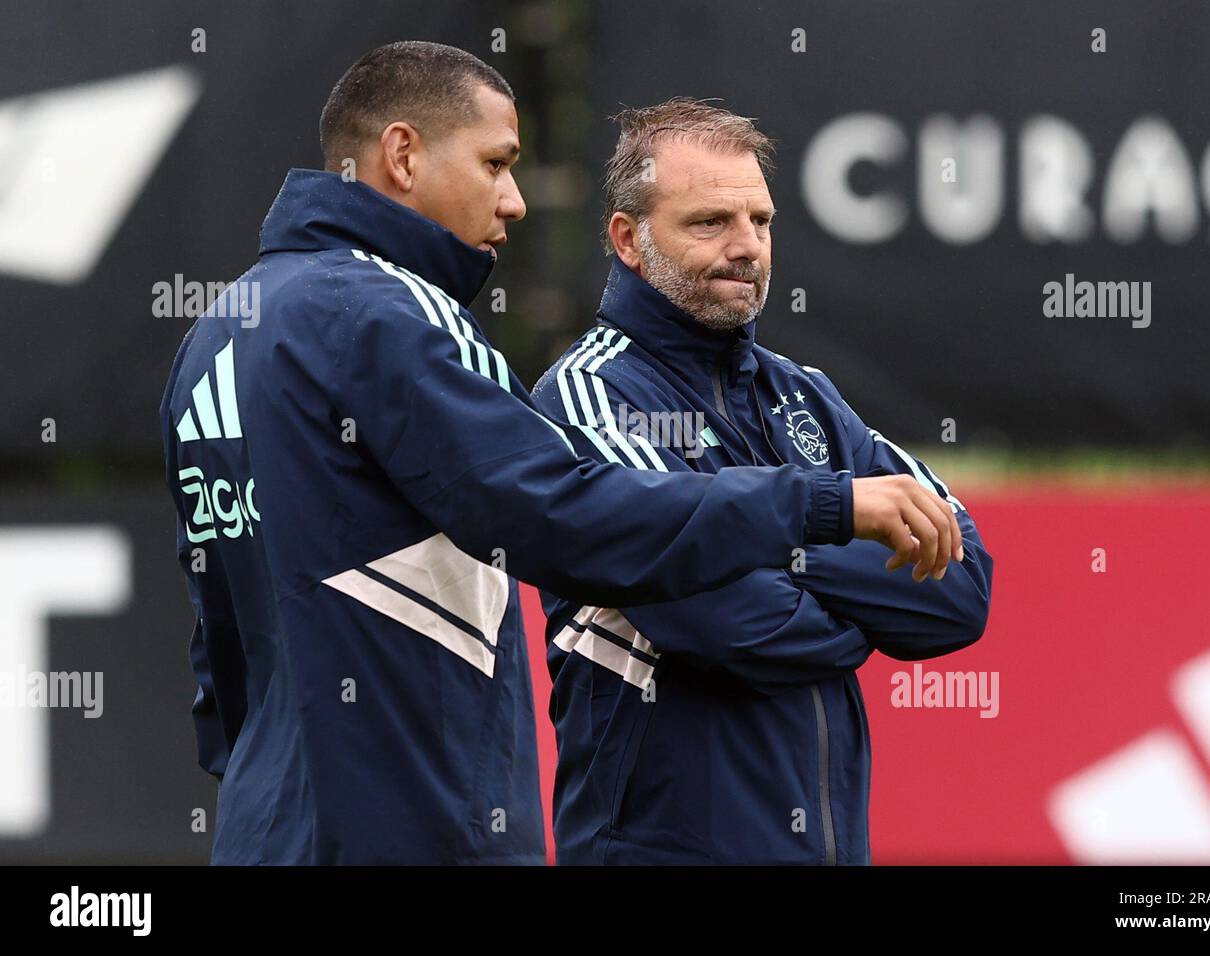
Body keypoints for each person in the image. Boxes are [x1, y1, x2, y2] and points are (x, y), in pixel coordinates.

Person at [159, 46, 958, 864]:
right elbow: (566, 516)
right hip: (413, 830)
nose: (513, 201)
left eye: (760, 220)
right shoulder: (389, 311)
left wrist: (278, 793)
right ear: (403, 155)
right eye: (496, 164)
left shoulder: (218, 331)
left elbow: (217, 649)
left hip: (265, 832)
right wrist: (818, 505)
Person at [532, 98, 993, 864]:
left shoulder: (805, 394)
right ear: (628, 240)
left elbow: (959, 589)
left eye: (762, 221)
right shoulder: (588, 397)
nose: (747, 247)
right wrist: (860, 603)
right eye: (710, 222)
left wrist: (776, 556)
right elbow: (729, 622)